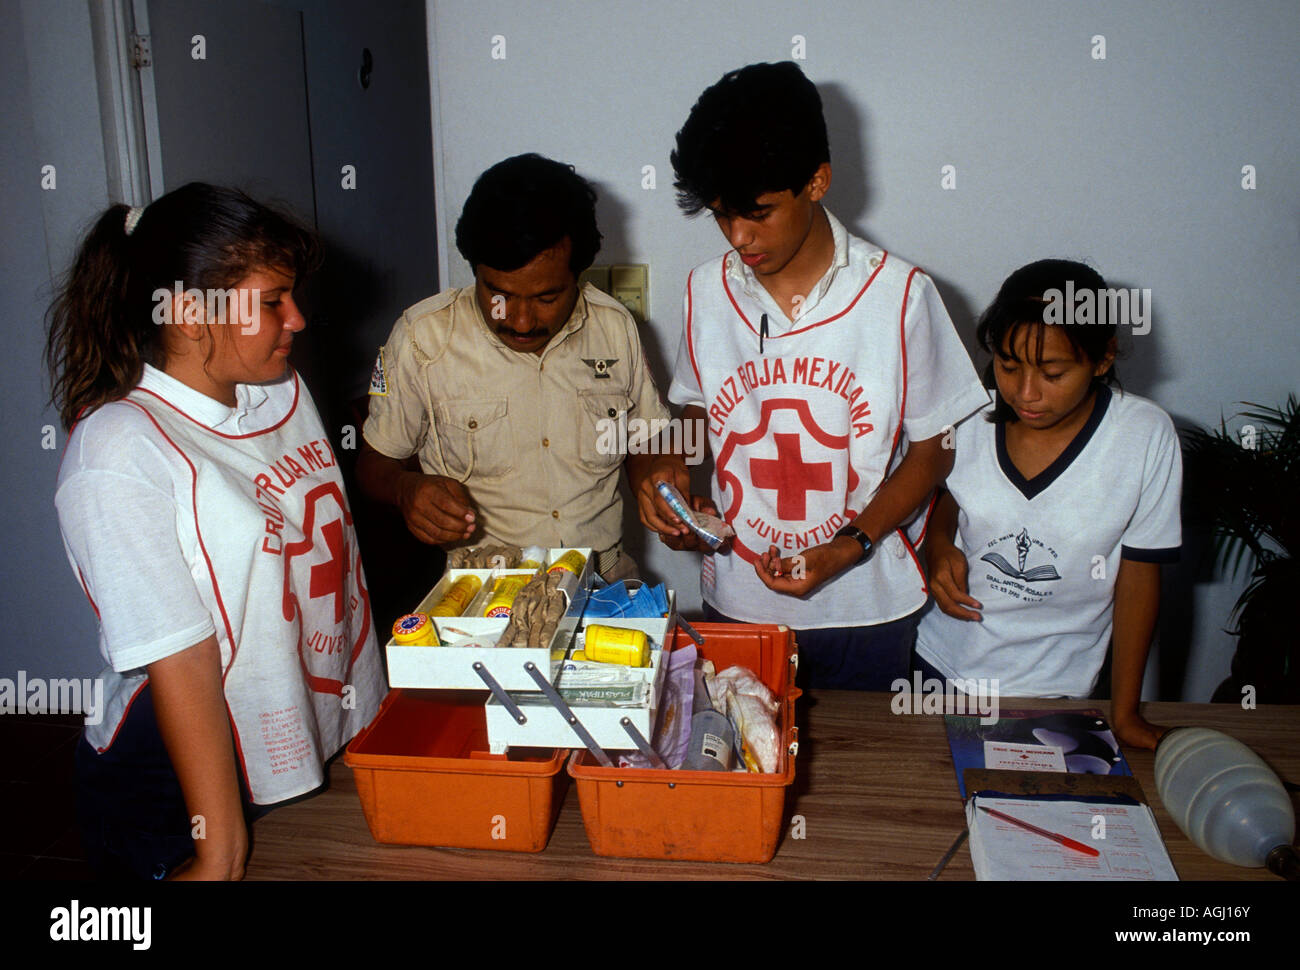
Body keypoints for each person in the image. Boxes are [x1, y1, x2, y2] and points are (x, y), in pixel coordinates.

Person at [48, 183, 385, 879]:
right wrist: (220, 851)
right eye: (271, 302)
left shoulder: (276, 390)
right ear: (191, 314)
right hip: (182, 761)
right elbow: (184, 659)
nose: (297, 318)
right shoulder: (117, 452)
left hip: (292, 720)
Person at [649, 62, 989, 690]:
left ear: (817, 181)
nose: (739, 236)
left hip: (869, 606)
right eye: (721, 216)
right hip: (741, 599)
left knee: (864, 779)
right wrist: (672, 478)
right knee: (742, 763)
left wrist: (847, 546)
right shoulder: (705, 291)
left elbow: (936, 449)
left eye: (758, 212)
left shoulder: (900, 296)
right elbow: (698, 414)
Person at [357, 153, 676, 581]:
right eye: (499, 295)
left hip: (604, 579)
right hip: (484, 590)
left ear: (578, 277)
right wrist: (405, 488)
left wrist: (660, 484)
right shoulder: (424, 338)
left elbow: (646, 440)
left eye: (546, 298)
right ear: (475, 271)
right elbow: (373, 465)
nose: (521, 322)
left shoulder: (614, 326)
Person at [914, 259, 1181, 749]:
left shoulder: (1143, 436)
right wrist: (936, 541)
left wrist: (1125, 715)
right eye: (1009, 366)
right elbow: (952, 490)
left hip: (1063, 688)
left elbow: (1141, 577)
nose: (1025, 393)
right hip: (941, 668)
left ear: (1103, 360)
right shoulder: (969, 414)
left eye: (1053, 372)